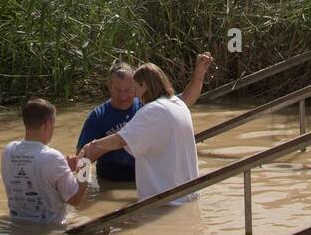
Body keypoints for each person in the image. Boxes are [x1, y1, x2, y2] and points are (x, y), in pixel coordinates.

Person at [77, 54, 213, 185]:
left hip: (143, 176)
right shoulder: (98, 116)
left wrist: (198, 75)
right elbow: (81, 157)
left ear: (137, 87)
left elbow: (185, 100)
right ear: (109, 86)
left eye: (128, 89)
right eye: (118, 90)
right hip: (111, 179)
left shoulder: (148, 105)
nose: (123, 96)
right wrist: (82, 192)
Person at [2, 97, 89, 225]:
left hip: (16, 224)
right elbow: (75, 200)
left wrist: (63, 166)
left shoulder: (8, 150)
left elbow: (32, 167)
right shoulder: (52, 157)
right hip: (50, 229)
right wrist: (85, 165)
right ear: (48, 124)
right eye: (54, 125)